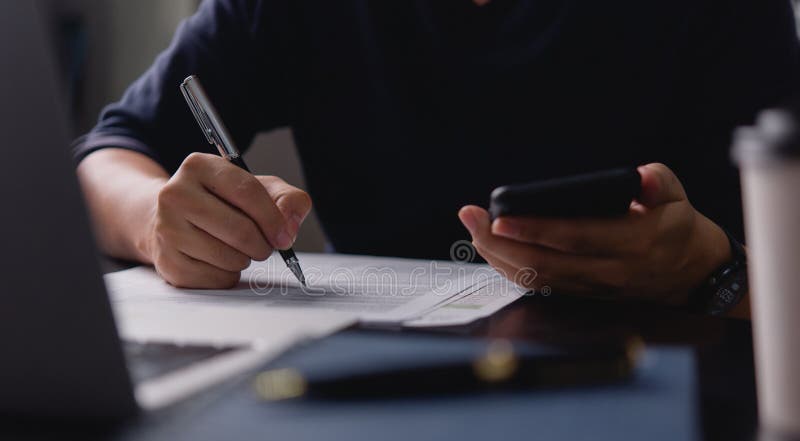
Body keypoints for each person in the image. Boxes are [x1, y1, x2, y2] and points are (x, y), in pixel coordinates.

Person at [75, 0, 800, 319]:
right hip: (359, 386)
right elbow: (105, 156)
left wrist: (710, 273)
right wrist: (156, 221)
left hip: (651, 388)